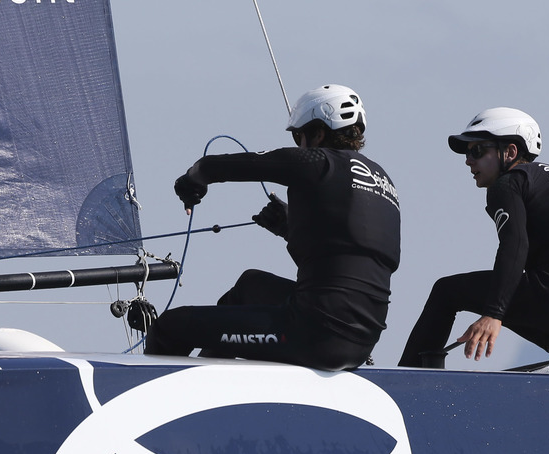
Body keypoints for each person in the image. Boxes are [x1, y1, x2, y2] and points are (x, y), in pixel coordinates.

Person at [144, 84, 401, 371]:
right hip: (361, 340)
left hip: (314, 335)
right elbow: (344, 258)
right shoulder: (382, 181)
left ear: (317, 133)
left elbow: (222, 166)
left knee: (169, 328)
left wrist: (192, 180)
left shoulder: (318, 162)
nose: (298, 144)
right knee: (249, 285)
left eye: (298, 136)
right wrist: (288, 229)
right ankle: (210, 373)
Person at [397, 108, 549, 373]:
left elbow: (514, 245)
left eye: (477, 151)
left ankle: (409, 377)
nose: (468, 161)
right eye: (467, 153)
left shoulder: (509, 182)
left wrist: (493, 314)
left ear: (509, 152)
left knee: (447, 291)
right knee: (511, 289)